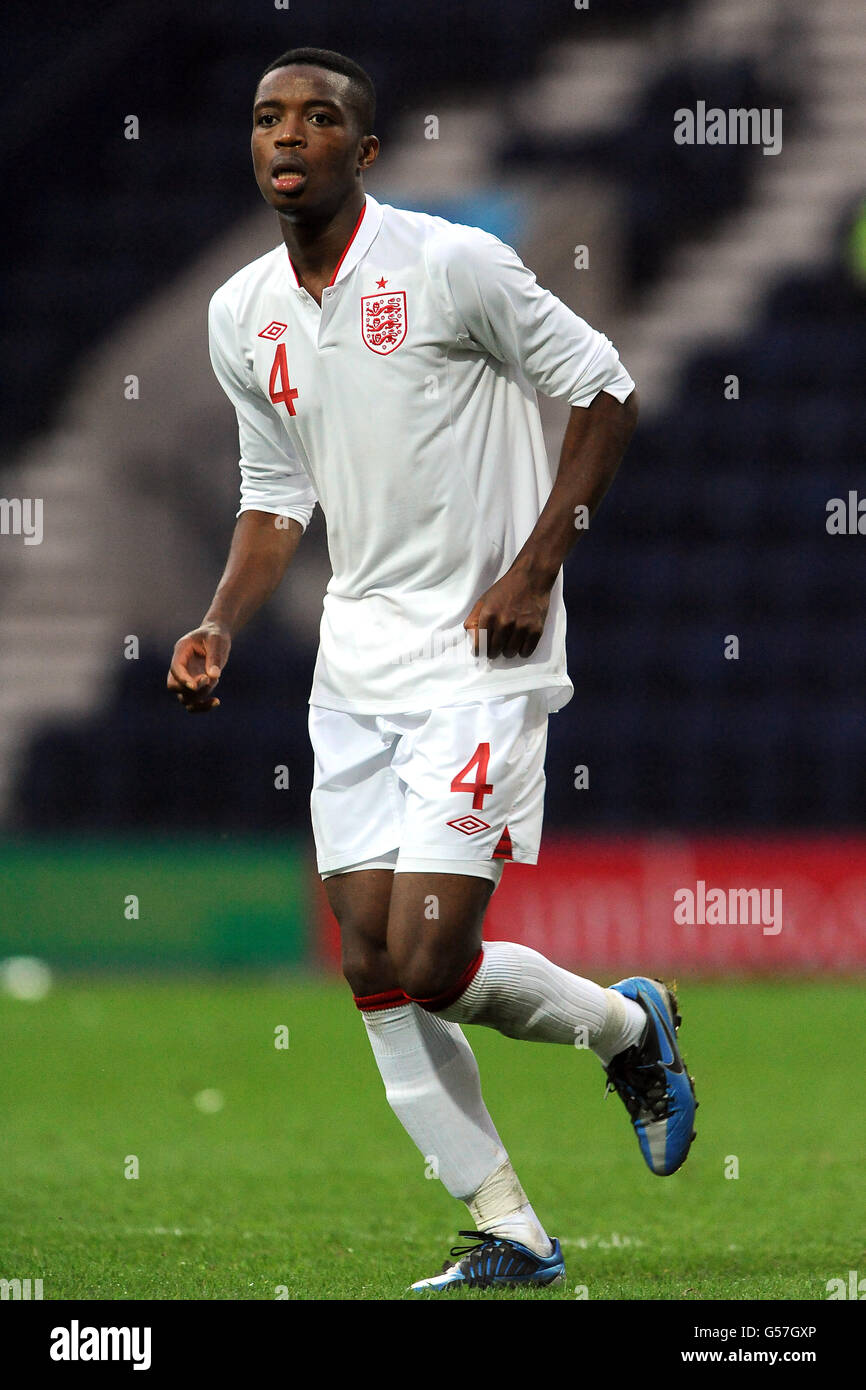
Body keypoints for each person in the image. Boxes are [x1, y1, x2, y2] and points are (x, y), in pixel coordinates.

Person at [167, 46, 696, 1293]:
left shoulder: (450, 263)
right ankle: (512, 1227)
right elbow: (273, 492)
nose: (285, 135)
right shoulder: (237, 312)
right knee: (366, 961)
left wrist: (534, 569)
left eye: (317, 119)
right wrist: (221, 621)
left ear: (365, 149)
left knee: (425, 954)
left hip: (478, 656)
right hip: (353, 666)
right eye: (264, 118)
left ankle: (628, 1027)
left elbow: (605, 389)